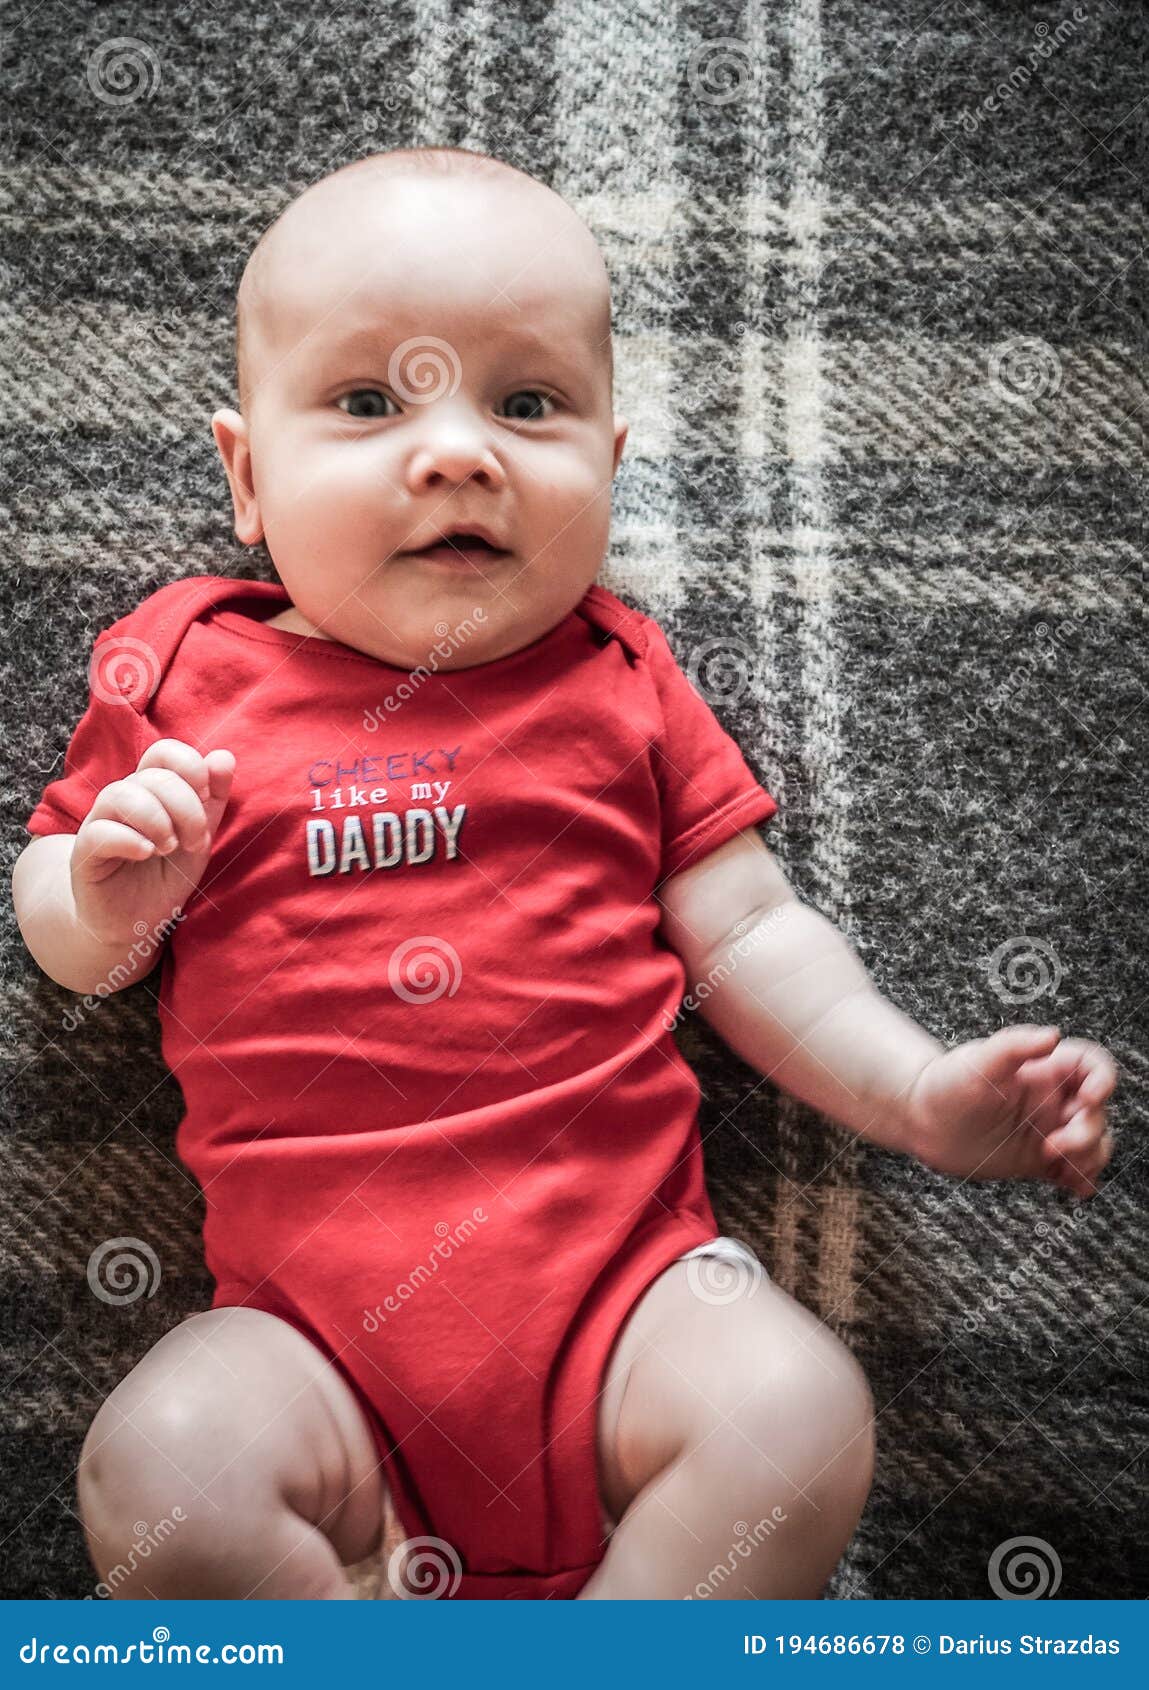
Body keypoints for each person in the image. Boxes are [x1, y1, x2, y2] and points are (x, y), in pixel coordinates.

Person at [11, 146, 1116, 1602]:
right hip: (309, 1353)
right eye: (365, 403)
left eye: (527, 404)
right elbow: (53, 924)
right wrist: (110, 899)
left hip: (628, 1313)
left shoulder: (618, 676)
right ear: (245, 476)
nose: (459, 451)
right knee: (159, 1463)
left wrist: (915, 1093)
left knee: (792, 1413)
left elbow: (752, 935)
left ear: (608, 458)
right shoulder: (191, 672)